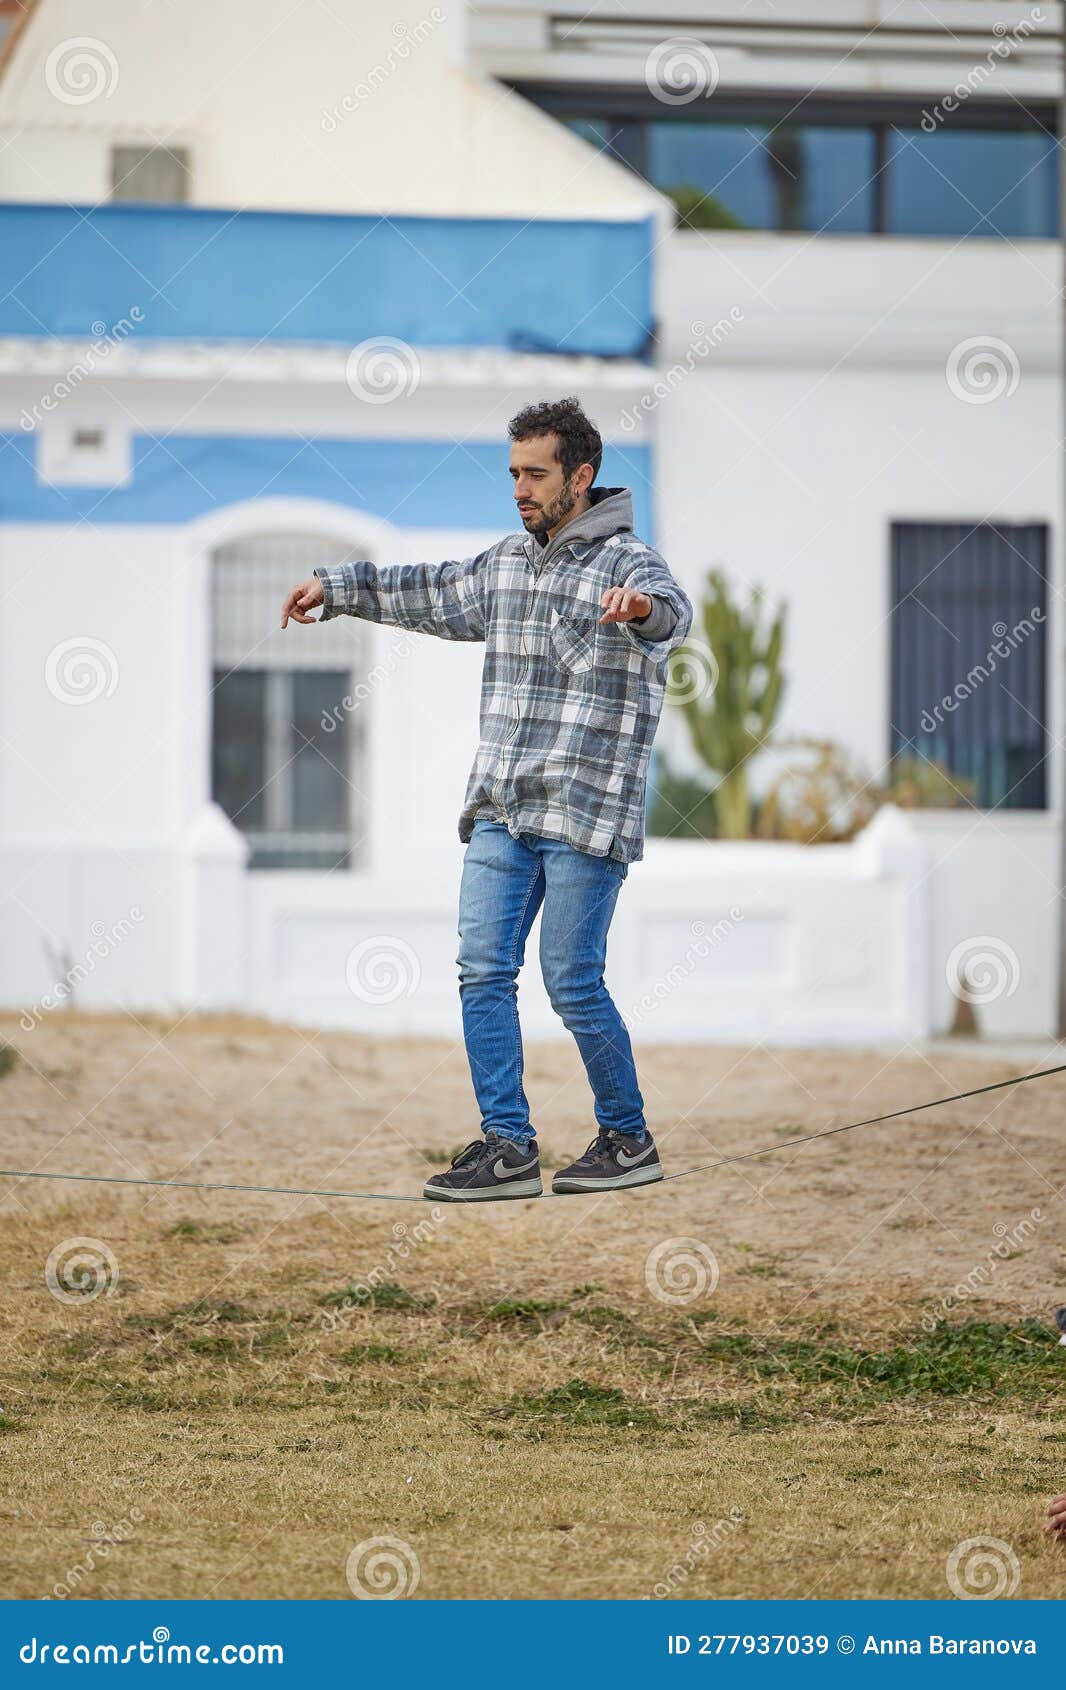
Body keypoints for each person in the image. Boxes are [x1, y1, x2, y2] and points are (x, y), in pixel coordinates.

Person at [281, 397, 692, 1202]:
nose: (520, 488)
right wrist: (336, 586)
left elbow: (673, 616)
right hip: (503, 808)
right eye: (513, 473)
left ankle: (627, 1137)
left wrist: (641, 614)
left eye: (535, 473)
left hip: (583, 812)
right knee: (481, 971)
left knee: (572, 979)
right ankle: (507, 1147)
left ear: (582, 475)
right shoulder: (506, 565)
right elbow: (429, 591)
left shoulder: (630, 564)